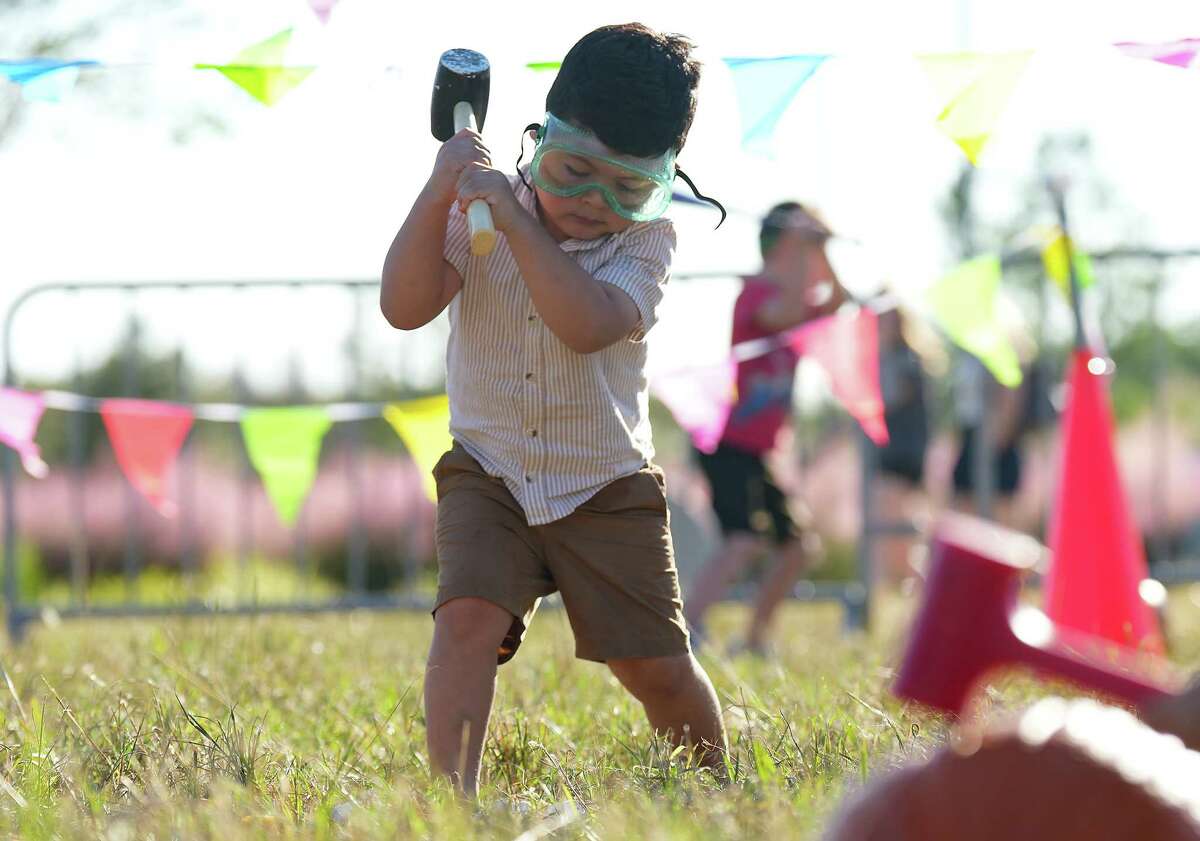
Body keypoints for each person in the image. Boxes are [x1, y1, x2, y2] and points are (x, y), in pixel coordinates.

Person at [380, 23, 729, 795]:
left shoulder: (646, 245)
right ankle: (452, 803)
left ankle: (717, 791)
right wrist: (442, 186)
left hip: (604, 484)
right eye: (572, 172)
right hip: (489, 471)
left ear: (662, 184)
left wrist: (513, 220)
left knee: (656, 667)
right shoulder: (474, 210)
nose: (594, 203)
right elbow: (403, 308)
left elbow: (584, 324)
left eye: (628, 188)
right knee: (465, 623)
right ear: (538, 141)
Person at [684, 202, 846, 653]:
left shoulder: (796, 292)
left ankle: (755, 637)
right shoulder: (756, 293)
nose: (809, 264)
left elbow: (836, 305)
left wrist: (822, 250)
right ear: (780, 249)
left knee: (798, 547)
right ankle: (687, 628)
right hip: (728, 444)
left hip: (759, 451)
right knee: (741, 541)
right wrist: (802, 256)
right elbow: (787, 314)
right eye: (801, 251)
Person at [871, 303, 936, 586]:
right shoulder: (888, 358)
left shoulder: (905, 359)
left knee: (893, 528)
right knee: (893, 530)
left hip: (903, 455)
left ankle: (920, 582)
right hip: (892, 455)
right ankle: (915, 583)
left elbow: (890, 398)